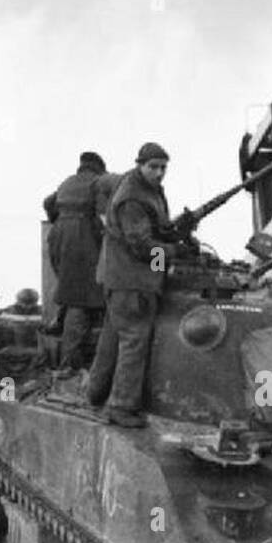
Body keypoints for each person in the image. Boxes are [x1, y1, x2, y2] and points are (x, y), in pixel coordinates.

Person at [84, 141, 183, 426]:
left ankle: (95, 393)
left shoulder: (146, 188)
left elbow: (154, 231)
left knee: (114, 337)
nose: (160, 173)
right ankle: (121, 407)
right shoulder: (133, 197)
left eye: (163, 168)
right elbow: (141, 246)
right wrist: (173, 251)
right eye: (154, 167)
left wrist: (174, 233)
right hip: (132, 281)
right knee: (134, 340)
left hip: (123, 278)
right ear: (140, 165)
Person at [46, 151, 108, 372]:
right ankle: (70, 367)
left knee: (73, 293)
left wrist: (60, 219)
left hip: (60, 236)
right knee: (81, 302)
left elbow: (48, 203)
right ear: (99, 168)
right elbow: (104, 217)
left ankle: (60, 323)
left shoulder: (67, 183)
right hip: (83, 239)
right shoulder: (98, 183)